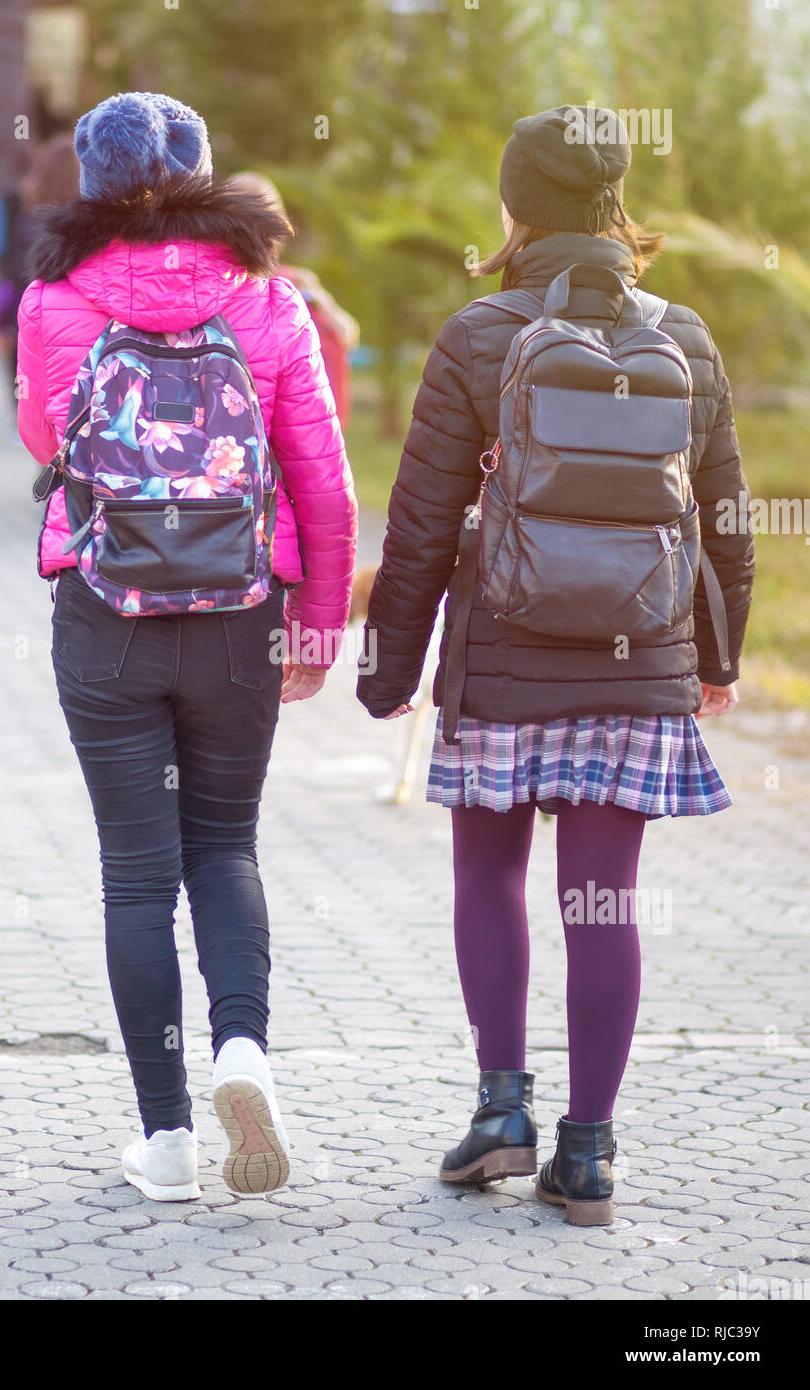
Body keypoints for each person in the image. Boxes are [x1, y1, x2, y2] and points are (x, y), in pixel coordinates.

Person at [357, 105, 754, 1226]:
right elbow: (725, 516)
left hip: (503, 654)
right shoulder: (682, 334)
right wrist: (714, 656)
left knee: (488, 878)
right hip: (637, 663)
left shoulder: (478, 332)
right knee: (603, 898)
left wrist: (387, 673)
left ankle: (500, 1114)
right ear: (615, 206)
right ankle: (588, 1154)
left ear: (515, 204)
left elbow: (423, 520)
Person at [16, 92, 357, 1200]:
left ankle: (164, 1142)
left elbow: (41, 432)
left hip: (106, 614)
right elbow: (320, 471)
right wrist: (314, 623)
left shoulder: (53, 298)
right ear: (209, 173)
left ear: (91, 181)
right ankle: (242, 1053)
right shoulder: (266, 298)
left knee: (134, 875)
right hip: (238, 614)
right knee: (225, 848)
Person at [226, 172, 359, 425]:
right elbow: (347, 335)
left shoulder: (296, 285)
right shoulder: (293, 287)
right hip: (292, 427)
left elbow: (347, 333)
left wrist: (320, 299)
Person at [0, 133, 80, 412]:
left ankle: (25, 420)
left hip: (25, 302)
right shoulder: (89, 210)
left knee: (29, 370)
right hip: (77, 310)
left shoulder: (17, 202)